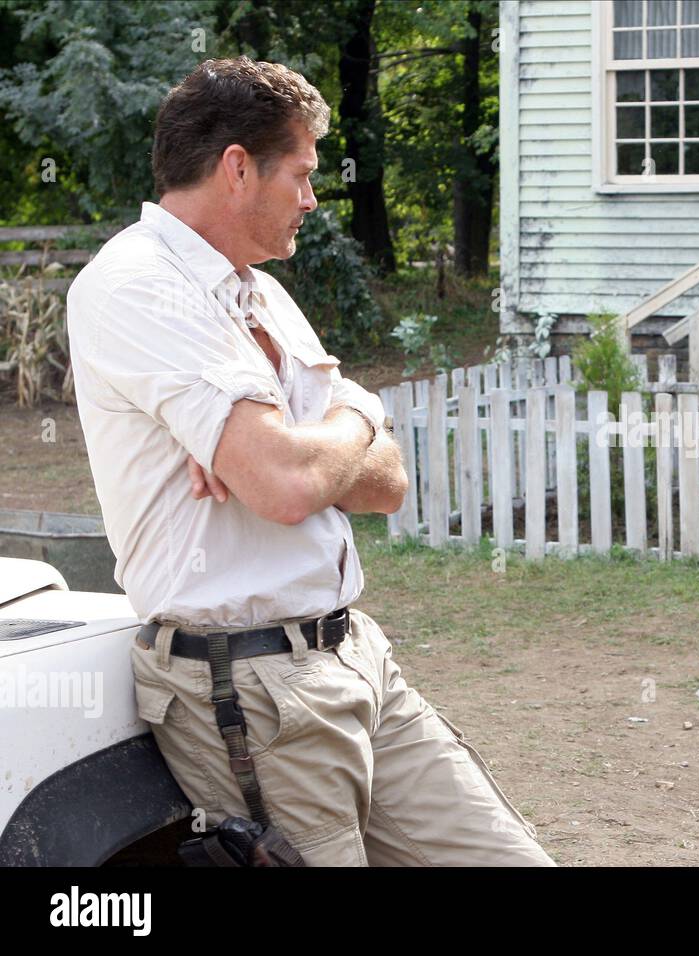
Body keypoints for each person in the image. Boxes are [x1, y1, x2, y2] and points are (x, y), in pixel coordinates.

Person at [66, 57, 553, 866]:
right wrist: (323, 437)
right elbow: (291, 485)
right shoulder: (135, 286)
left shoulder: (260, 293)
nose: (312, 199)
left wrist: (345, 420)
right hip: (251, 689)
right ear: (235, 168)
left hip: (354, 655)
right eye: (300, 174)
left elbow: (386, 484)